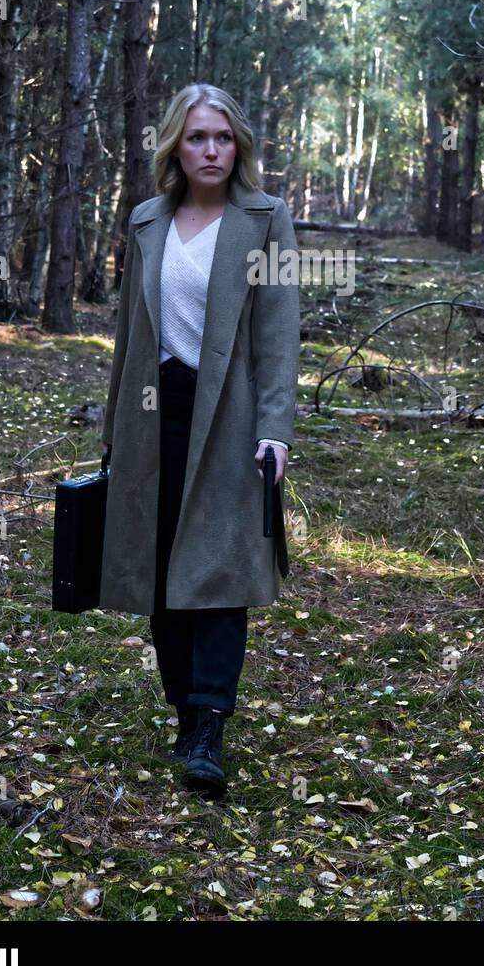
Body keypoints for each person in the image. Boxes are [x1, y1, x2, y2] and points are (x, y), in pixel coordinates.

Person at [97, 83, 300, 798]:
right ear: (175, 147)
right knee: (159, 576)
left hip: (232, 418)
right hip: (152, 414)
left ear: (237, 143)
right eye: (196, 137)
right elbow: (129, 333)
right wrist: (112, 429)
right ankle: (183, 708)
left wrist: (276, 430)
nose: (210, 150)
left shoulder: (266, 219)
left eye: (221, 136)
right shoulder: (147, 221)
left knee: (218, 573)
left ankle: (209, 726)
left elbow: (277, 333)